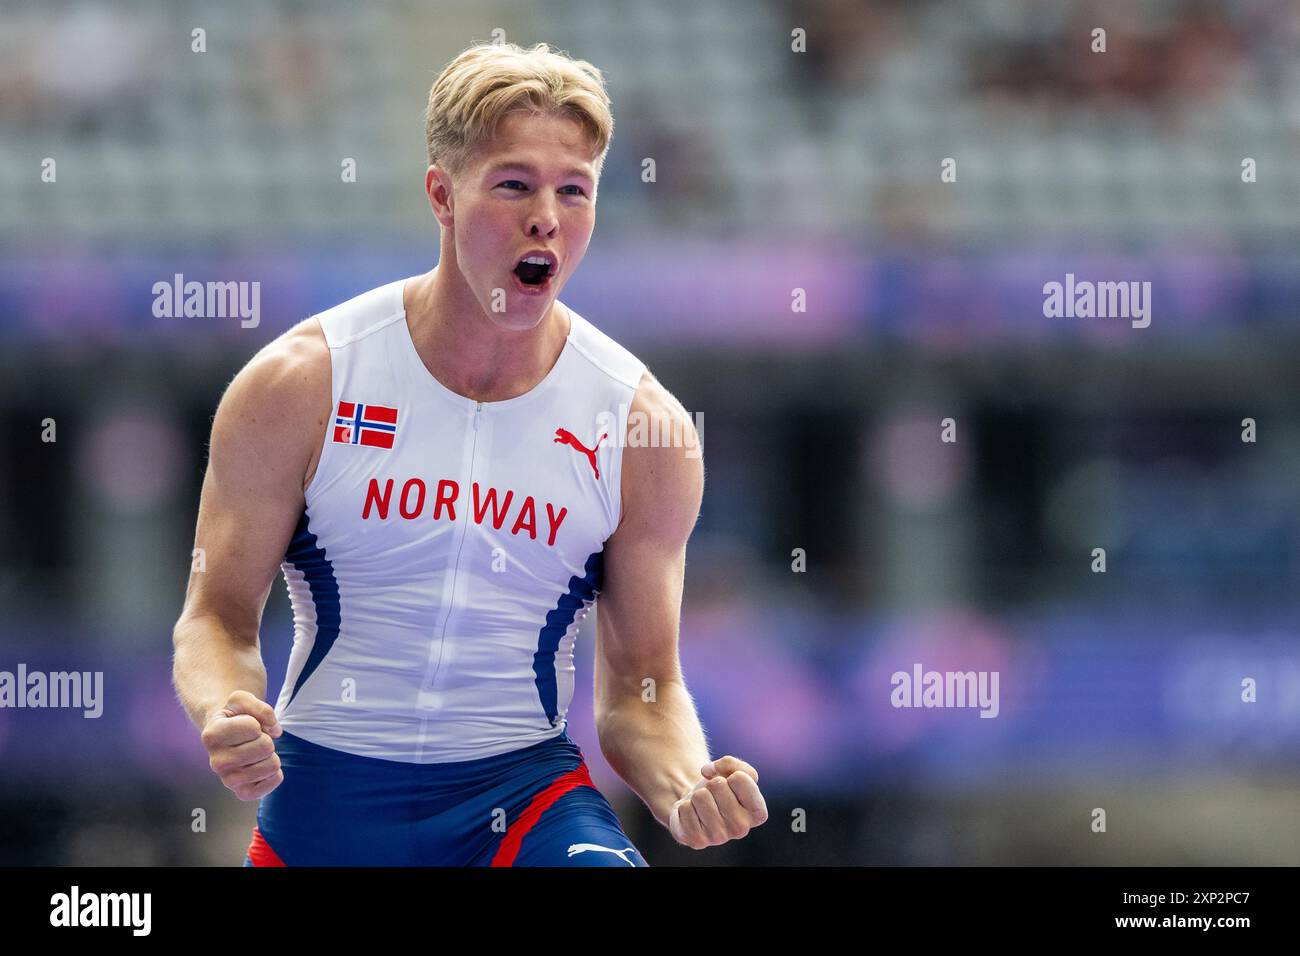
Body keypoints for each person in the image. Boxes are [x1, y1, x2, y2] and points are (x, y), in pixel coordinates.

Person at [171, 41, 767, 866]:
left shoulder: (642, 429)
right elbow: (216, 616)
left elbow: (641, 691)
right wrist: (225, 710)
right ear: (441, 195)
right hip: (328, 809)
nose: (546, 218)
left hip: (525, 800)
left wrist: (683, 786)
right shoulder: (301, 383)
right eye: (514, 184)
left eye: (575, 191)